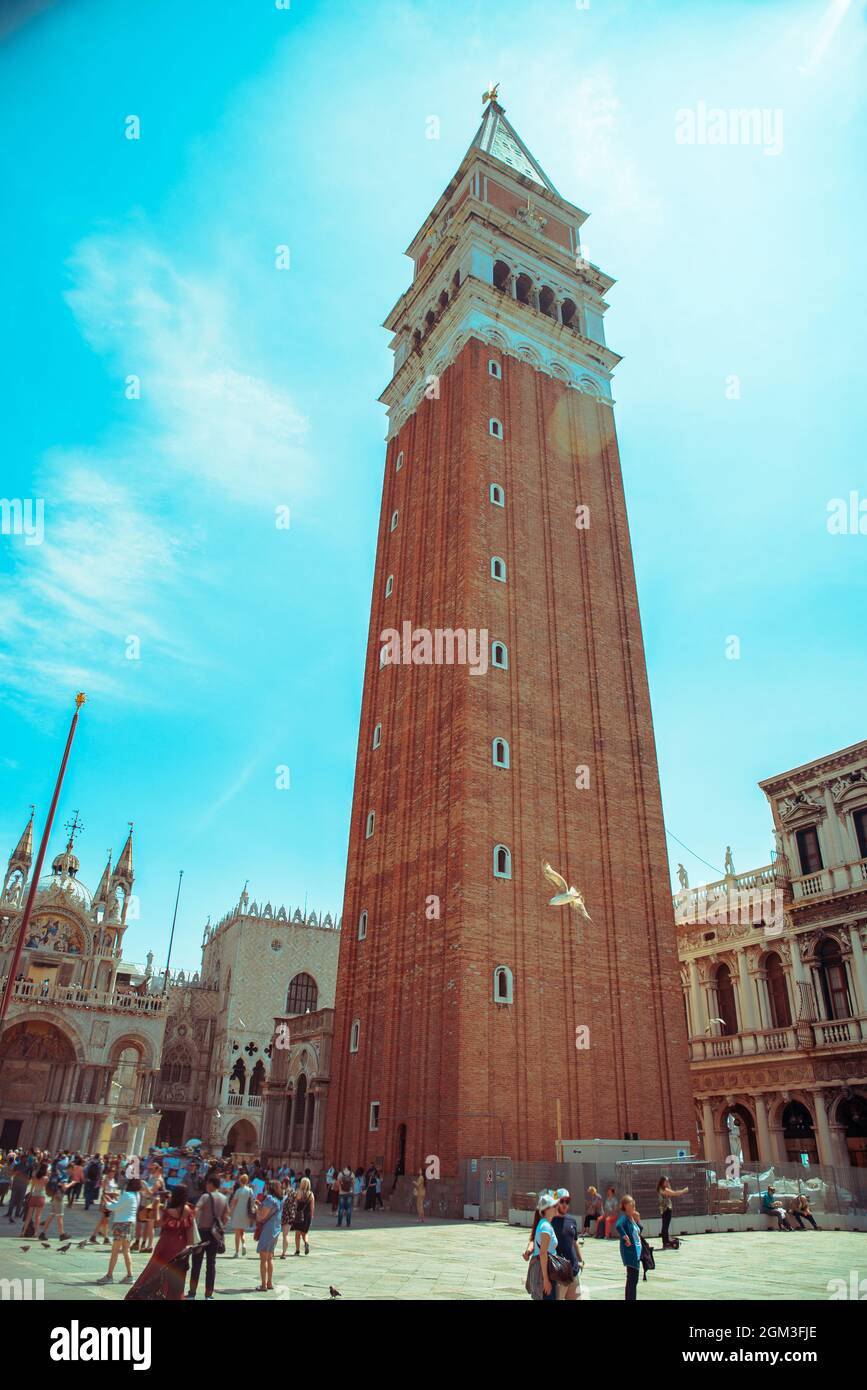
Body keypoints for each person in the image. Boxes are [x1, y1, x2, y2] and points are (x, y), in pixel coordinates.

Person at [125, 1184, 197, 1301]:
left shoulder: (169, 1211)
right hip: (180, 1246)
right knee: (175, 1276)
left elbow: (157, 1223)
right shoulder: (189, 1210)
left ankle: (144, 1295)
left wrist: (156, 1206)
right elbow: (189, 1234)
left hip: (165, 1244)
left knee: (154, 1271)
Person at [187, 1176, 229, 1300]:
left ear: (211, 1184)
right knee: (211, 1264)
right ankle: (208, 1294)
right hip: (215, 1235)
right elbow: (226, 1217)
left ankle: (192, 1293)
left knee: (196, 1263)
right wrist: (219, 1226)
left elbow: (196, 1210)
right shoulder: (224, 1198)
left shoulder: (205, 1196)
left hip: (202, 1233)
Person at [96, 1178, 142, 1285]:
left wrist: (107, 1202)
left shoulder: (127, 1194)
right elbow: (122, 1205)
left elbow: (115, 1207)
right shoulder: (136, 1195)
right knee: (126, 1251)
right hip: (130, 1223)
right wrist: (112, 1201)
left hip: (121, 1223)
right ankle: (130, 1276)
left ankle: (109, 1276)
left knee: (115, 1251)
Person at [551, 1189, 583, 1299]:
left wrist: (580, 1260)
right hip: (559, 1273)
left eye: (567, 1201)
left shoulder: (572, 1221)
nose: (565, 1204)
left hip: (573, 1271)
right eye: (562, 1201)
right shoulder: (550, 1221)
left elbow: (575, 1242)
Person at [253, 1181, 282, 1292]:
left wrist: (256, 1208)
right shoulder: (278, 1200)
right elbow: (271, 1212)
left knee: (263, 1259)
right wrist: (261, 1205)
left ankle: (263, 1285)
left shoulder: (269, 1199)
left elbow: (262, 1217)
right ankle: (269, 1283)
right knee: (270, 1258)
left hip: (268, 1230)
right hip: (275, 1229)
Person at [532, 1192, 560, 1301]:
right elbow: (543, 1253)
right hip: (545, 1270)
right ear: (547, 1209)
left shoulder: (544, 1224)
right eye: (554, 1206)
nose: (556, 1207)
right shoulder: (546, 1227)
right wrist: (546, 1280)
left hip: (546, 1269)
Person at [615, 1194, 643, 1301]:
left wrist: (638, 1220)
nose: (633, 1204)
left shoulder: (632, 1218)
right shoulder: (624, 1218)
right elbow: (618, 1226)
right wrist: (625, 1237)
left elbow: (639, 1232)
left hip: (636, 1253)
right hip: (630, 1253)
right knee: (632, 1279)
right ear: (625, 1205)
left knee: (633, 1279)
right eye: (631, 1202)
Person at [657, 1175, 689, 1247]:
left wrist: (668, 1184)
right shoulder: (664, 1189)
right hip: (666, 1209)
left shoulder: (663, 1188)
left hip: (665, 1209)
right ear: (662, 1182)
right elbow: (674, 1193)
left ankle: (666, 1241)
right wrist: (684, 1191)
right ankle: (665, 1242)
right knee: (665, 1226)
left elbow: (670, 1192)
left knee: (665, 1226)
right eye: (666, 1181)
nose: (667, 1182)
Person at [229, 1173, 255, 1256]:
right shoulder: (250, 1190)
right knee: (242, 1232)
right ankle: (243, 1244)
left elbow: (234, 1203)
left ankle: (236, 1252)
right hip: (246, 1213)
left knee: (237, 1234)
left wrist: (230, 1212)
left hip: (238, 1212)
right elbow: (253, 1201)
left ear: (240, 1181)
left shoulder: (238, 1191)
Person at [39, 1171, 71, 1239]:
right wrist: (73, 1182)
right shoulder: (64, 1175)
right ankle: (62, 1234)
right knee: (60, 1216)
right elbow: (64, 1187)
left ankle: (42, 1233)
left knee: (51, 1215)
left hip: (54, 1196)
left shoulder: (57, 1174)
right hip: (59, 1197)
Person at [21, 1162, 49, 1237]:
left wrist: (30, 1194)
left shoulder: (35, 1177)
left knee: (29, 1216)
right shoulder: (46, 1178)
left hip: (33, 1196)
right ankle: (36, 1233)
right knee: (38, 1216)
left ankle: (23, 1232)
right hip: (41, 1197)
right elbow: (46, 1188)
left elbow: (32, 1188)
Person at [291, 1176, 314, 1255]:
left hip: (299, 1215)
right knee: (305, 1232)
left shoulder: (298, 1192)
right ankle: (306, 1243)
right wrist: (311, 1216)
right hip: (307, 1216)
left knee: (297, 1233)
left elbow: (295, 1204)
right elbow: (312, 1207)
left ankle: (297, 1250)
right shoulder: (311, 1194)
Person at [280, 1181, 297, 1258]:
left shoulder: (286, 1192)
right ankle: (283, 1253)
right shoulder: (292, 1192)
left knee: (284, 1235)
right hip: (287, 1215)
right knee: (284, 1235)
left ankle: (283, 1253)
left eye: (283, 1183)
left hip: (285, 1215)